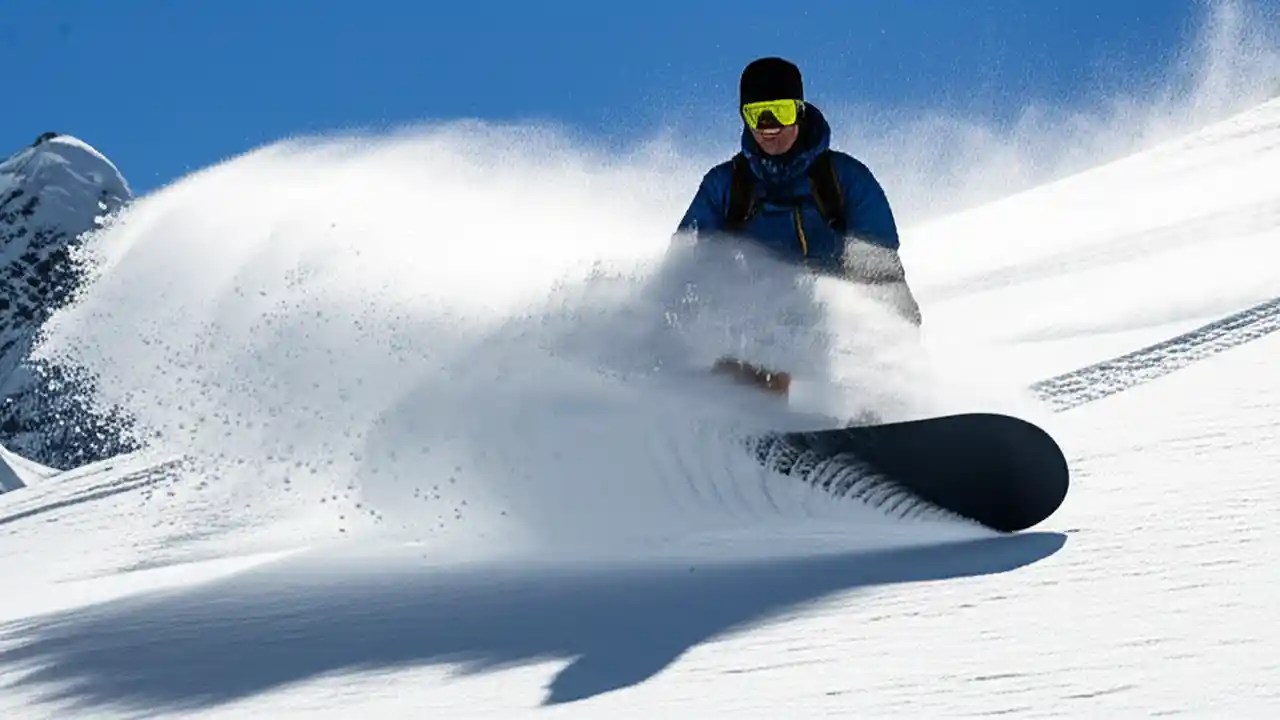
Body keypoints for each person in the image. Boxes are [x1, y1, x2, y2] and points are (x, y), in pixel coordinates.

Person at [675, 57, 921, 396]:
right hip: (758, 326)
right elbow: (686, 266)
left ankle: (876, 410)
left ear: (800, 111)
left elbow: (880, 270)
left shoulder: (845, 181)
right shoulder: (724, 188)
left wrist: (891, 337)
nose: (768, 126)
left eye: (780, 112)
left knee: (871, 317)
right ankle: (738, 416)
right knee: (750, 342)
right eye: (756, 114)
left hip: (839, 323)